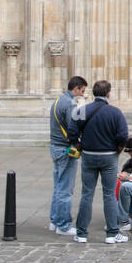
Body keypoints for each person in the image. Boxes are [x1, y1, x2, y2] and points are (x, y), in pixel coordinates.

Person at [73, 80, 129, 244]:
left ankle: (81, 233)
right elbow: (122, 136)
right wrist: (116, 151)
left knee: (86, 194)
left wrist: (80, 147)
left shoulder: (82, 110)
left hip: (89, 155)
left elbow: (71, 132)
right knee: (109, 195)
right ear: (108, 94)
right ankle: (112, 233)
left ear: (93, 93)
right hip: (109, 156)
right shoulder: (115, 112)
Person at [49, 74, 87, 235]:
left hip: (55, 147)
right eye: (82, 91)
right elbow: (74, 127)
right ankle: (63, 225)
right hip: (65, 149)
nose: (83, 94)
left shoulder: (58, 101)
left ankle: (54, 220)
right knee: (65, 189)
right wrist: (79, 144)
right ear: (76, 88)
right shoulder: (70, 104)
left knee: (58, 186)